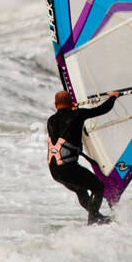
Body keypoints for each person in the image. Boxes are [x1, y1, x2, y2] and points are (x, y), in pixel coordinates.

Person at [47, 87, 120, 225]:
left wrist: (71, 108)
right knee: (98, 187)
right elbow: (102, 109)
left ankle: (97, 216)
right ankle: (94, 220)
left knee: (81, 189)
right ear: (72, 103)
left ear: (55, 105)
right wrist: (113, 97)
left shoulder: (51, 120)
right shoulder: (77, 115)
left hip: (54, 170)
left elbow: (65, 122)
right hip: (68, 168)